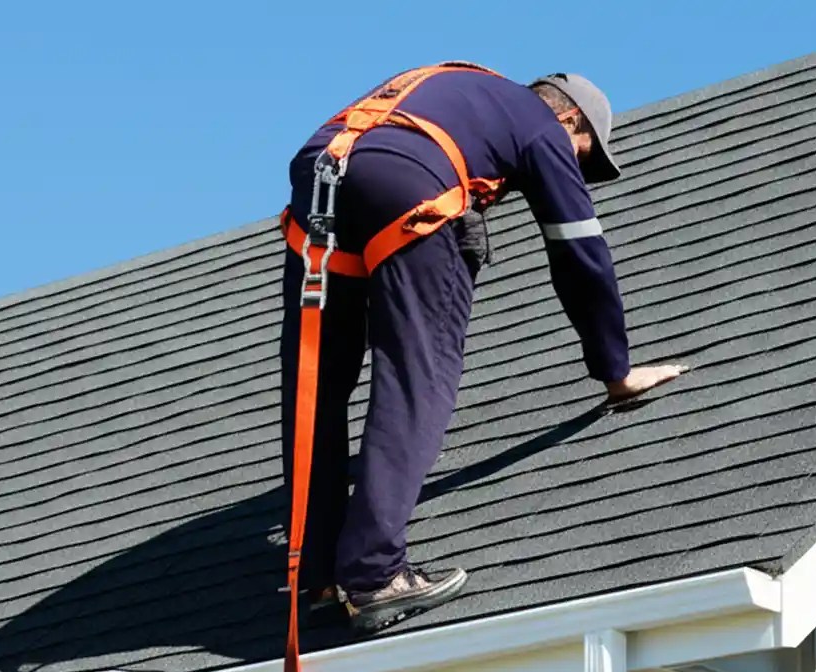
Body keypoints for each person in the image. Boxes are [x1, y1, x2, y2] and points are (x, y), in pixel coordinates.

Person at [279, 64, 687, 635]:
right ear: (568, 116)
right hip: (407, 184)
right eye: (583, 153)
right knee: (418, 374)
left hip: (319, 178)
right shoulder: (540, 125)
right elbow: (580, 256)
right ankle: (374, 575)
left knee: (314, 386)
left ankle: (316, 572)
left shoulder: (451, 85)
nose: (576, 167)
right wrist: (614, 371)